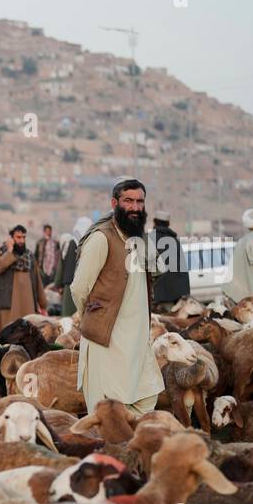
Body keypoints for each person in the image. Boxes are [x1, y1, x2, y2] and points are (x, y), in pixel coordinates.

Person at [69, 178, 164, 417]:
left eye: (139, 202)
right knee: (107, 410)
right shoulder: (101, 238)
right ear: (115, 203)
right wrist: (92, 317)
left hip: (137, 338)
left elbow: (160, 269)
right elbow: (79, 287)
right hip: (107, 340)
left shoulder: (140, 238)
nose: (134, 207)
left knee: (144, 399)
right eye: (128, 201)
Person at [0, 224, 42, 330]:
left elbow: (37, 281)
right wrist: (9, 251)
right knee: (7, 337)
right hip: (8, 305)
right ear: (11, 238)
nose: (22, 241)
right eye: (18, 237)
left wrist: (42, 304)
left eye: (23, 237)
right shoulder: (1, 252)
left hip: (28, 305)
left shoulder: (29, 256)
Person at [148, 209, 188, 305]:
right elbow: (182, 272)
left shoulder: (148, 240)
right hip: (173, 297)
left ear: (154, 222)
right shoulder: (175, 242)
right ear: (168, 223)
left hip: (152, 299)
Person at [53, 216, 91, 317]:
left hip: (68, 287)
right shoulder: (90, 244)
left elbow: (62, 266)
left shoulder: (68, 244)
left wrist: (58, 284)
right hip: (86, 288)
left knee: (68, 319)